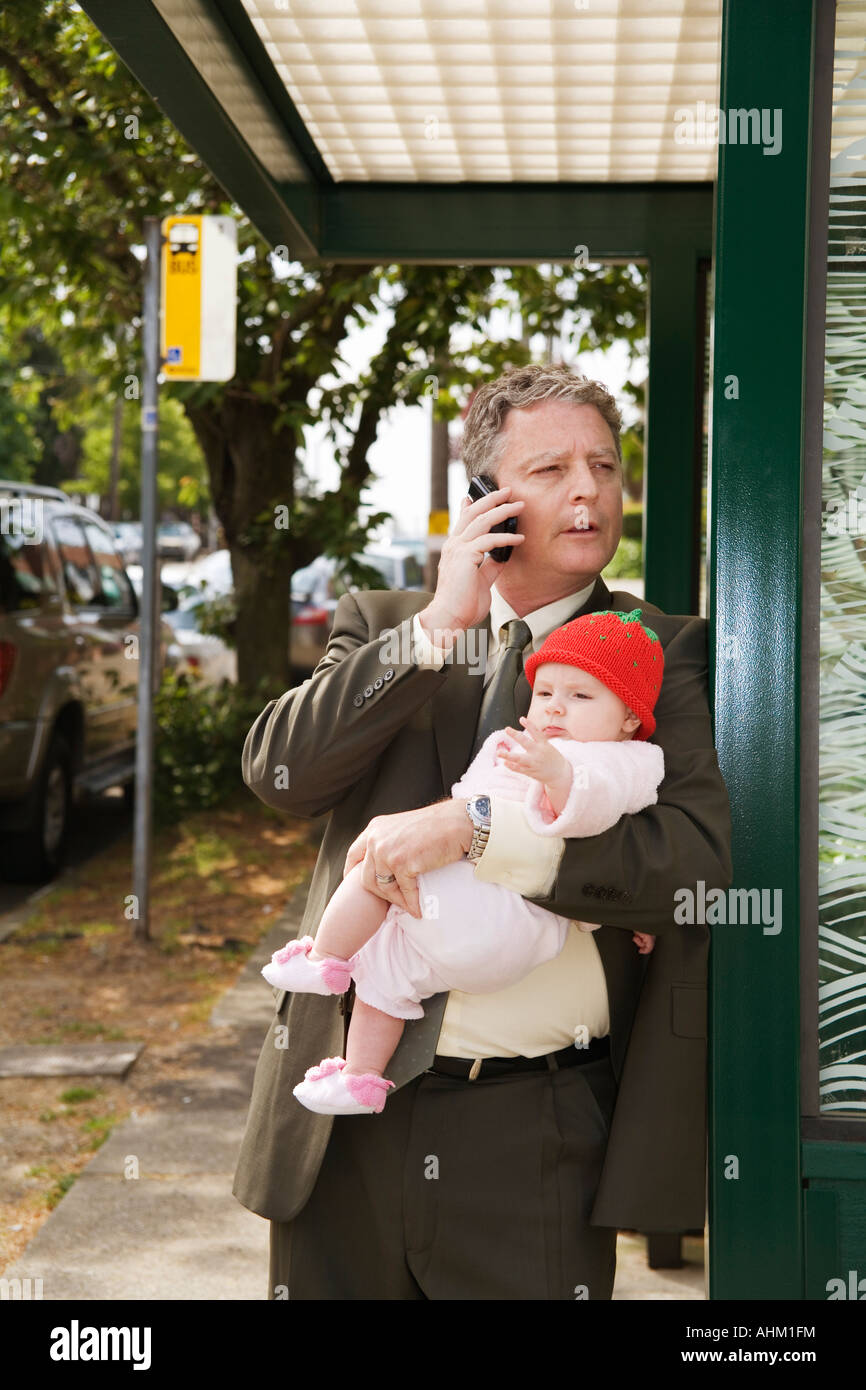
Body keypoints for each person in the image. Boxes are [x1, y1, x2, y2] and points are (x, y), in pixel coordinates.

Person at [232, 363, 733, 1300]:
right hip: (348, 1122)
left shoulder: (660, 651)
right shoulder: (388, 626)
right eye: (551, 470)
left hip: (537, 1133)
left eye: (605, 466)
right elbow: (279, 774)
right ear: (485, 500)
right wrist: (437, 624)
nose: (589, 490)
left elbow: (693, 861)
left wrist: (478, 829)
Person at [263, 609, 665, 1116]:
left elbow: (596, 815)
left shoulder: (619, 760)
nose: (556, 710)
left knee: (380, 867)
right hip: (485, 928)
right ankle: (361, 1077)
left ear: (630, 717)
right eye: (544, 694)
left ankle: (325, 959)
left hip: (503, 919)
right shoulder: (518, 744)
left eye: (581, 696)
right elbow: (465, 797)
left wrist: (556, 775)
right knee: (384, 975)